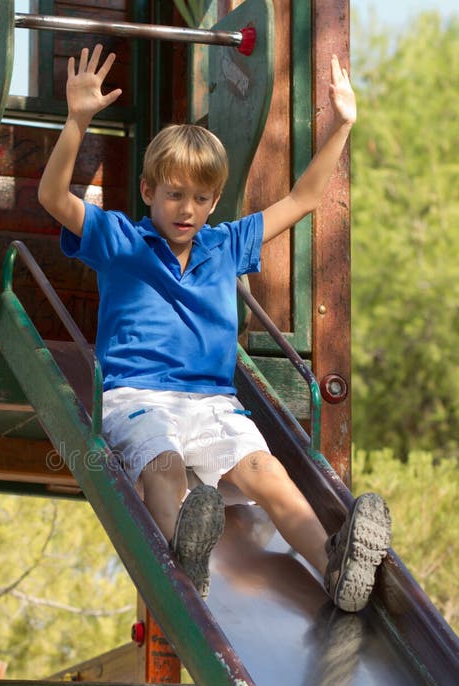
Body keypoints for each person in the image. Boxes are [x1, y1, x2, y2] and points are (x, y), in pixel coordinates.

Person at [38, 44, 391, 612]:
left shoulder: (225, 245)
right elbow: (53, 197)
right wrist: (77, 120)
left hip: (214, 403)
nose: (186, 209)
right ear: (149, 191)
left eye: (201, 199)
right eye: (174, 194)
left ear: (214, 202)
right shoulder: (122, 240)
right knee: (165, 465)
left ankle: (336, 565)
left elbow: (303, 199)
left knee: (268, 473)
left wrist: (343, 126)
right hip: (137, 397)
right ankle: (185, 557)